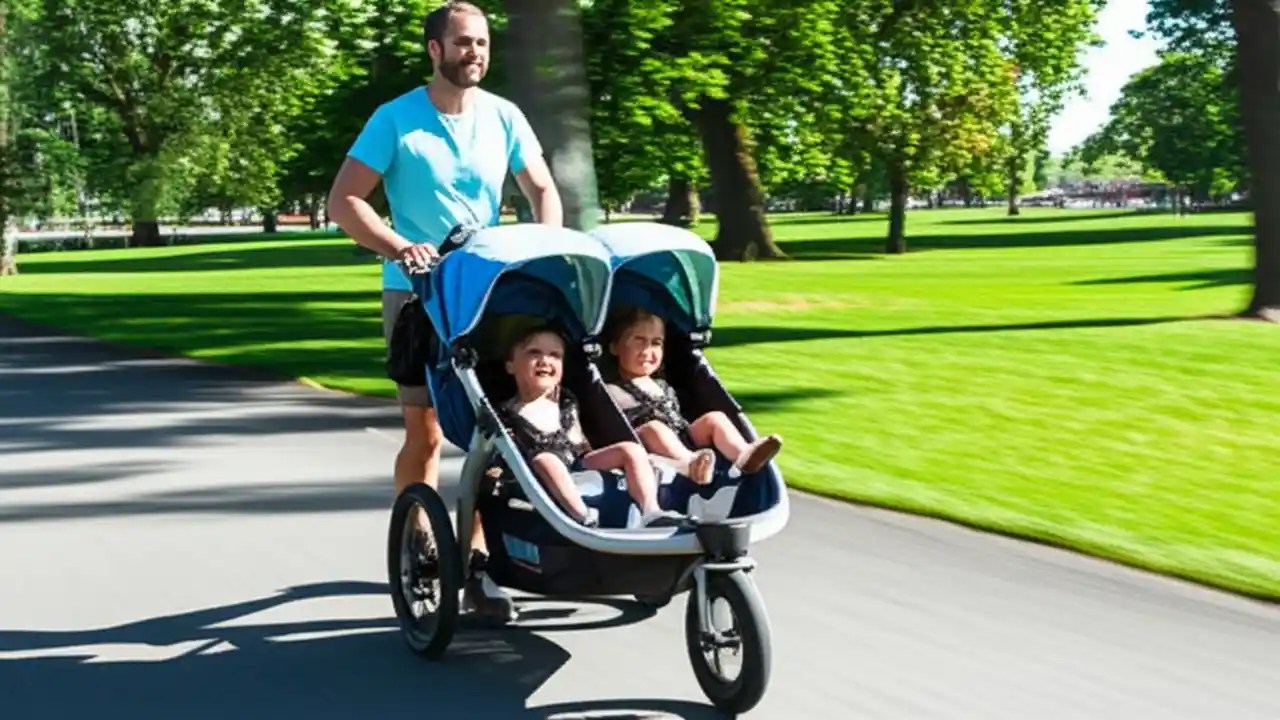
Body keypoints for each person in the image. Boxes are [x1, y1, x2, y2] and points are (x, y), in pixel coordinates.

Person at [326, 0, 562, 623]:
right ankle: (419, 539)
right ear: (435, 50)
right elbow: (343, 201)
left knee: (495, 429)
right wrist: (400, 246)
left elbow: (541, 187)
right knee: (426, 431)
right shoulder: (395, 119)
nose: (474, 52)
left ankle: (479, 563)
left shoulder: (505, 116)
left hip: (484, 291)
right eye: (462, 42)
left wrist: (546, 248)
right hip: (416, 295)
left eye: (481, 42)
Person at [496, 325, 686, 529]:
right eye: (534, 353)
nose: (545, 361)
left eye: (555, 355)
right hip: (539, 471)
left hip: (579, 460)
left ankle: (651, 511)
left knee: (631, 449)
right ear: (510, 365)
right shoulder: (507, 412)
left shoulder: (566, 401)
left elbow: (582, 443)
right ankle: (584, 518)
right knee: (547, 460)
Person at [604, 306, 783, 480]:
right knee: (654, 428)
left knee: (715, 418)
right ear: (614, 347)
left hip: (681, 434)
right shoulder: (612, 389)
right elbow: (611, 426)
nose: (647, 351)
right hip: (646, 444)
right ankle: (692, 464)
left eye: (656, 343)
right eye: (639, 341)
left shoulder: (662, 385)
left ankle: (743, 454)